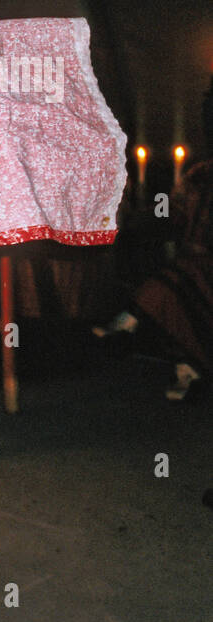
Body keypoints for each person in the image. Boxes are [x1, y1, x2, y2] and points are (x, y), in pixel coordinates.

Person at [93, 88, 213, 401]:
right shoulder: (200, 174)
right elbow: (169, 213)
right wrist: (128, 218)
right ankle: (189, 370)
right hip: (192, 268)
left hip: (203, 266)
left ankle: (129, 321)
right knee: (178, 279)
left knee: (182, 276)